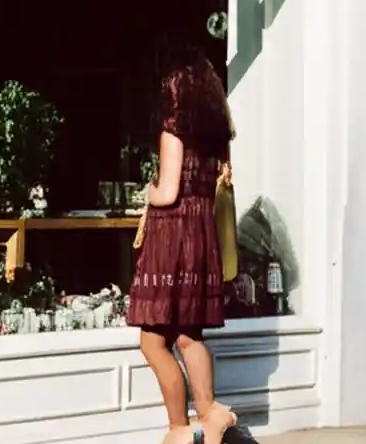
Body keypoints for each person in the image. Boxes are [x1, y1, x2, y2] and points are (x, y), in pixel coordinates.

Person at [127, 40, 237, 444]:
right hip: (201, 234)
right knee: (189, 335)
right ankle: (211, 414)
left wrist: (148, 190)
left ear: (178, 86)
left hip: (171, 237)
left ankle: (179, 428)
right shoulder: (216, 135)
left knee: (153, 341)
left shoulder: (174, 128)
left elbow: (168, 190)